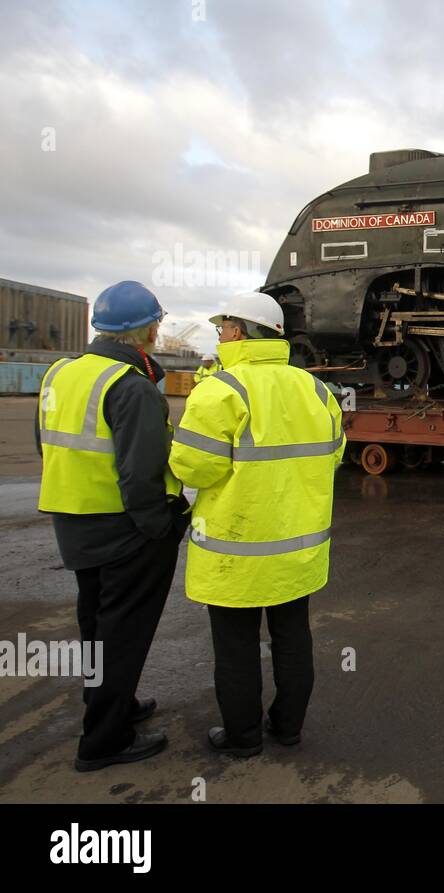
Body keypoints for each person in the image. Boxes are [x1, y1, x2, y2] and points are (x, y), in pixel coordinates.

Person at [169, 291, 345, 756]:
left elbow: (192, 468)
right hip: (297, 551)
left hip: (235, 553)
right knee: (292, 639)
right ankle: (287, 727)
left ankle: (243, 738)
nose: (220, 334)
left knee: (235, 648)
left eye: (224, 327)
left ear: (241, 332)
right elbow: (334, 455)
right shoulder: (315, 389)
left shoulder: (220, 390)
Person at [36, 280, 188, 771]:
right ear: (145, 329)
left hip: (73, 522)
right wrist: (157, 527)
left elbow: (47, 446)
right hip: (124, 529)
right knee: (123, 634)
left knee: (97, 627)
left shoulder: (61, 372)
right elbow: (140, 473)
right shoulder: (132, 387)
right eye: (157, 323)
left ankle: (110, 705)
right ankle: (104, 740)